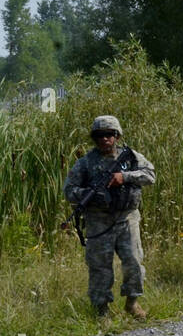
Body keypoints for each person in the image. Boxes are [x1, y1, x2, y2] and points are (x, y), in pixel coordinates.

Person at [62, 115, 156, 323]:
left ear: (117, 136)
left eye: (109, 135)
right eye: (99, 135)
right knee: (100, 266)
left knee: (133, 261)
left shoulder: (130, 157)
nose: (104, 139)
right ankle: (101, 310)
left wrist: (125, 177)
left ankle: (132, 303)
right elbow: (69, 190)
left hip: (127, 218)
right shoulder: (85, 163)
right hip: (98, 221)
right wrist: (90, 194)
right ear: (94, 138)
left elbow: (150, 175)